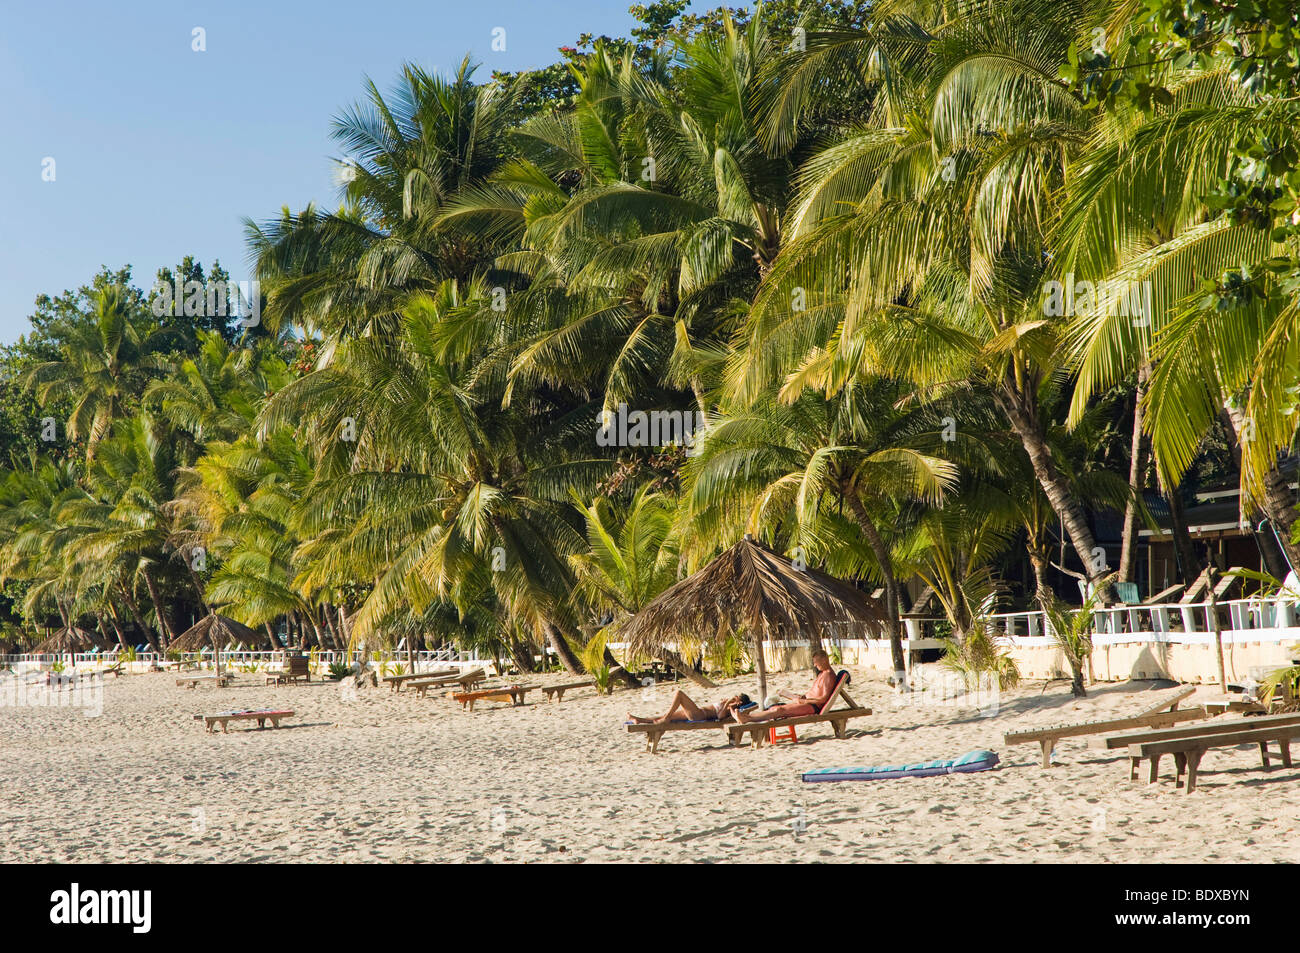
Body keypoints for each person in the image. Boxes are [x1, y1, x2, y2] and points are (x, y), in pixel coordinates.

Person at [734, 650, 842, 723]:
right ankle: (746, 717)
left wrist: (804, 701)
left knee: (779, 710)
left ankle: (747, 718)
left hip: (812, 707)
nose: (814, 665)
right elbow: (815, 693)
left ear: (824, 660)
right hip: (806, 702)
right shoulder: (822, 674)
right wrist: (802, 697)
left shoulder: (828, 675)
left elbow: (823, 698)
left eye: (816, 662)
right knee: (776, 708)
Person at [627, 691, 750, 725]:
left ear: (739, 702)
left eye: (737, 697)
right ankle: (639, 720)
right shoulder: (729, 704)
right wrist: (725, 701)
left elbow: (720, 716)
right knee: (662, 716)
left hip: (699, 715)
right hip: (697, 712)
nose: (734, 697)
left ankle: (667, 718)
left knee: (679, 694)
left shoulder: (732, 709)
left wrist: (728, 702)